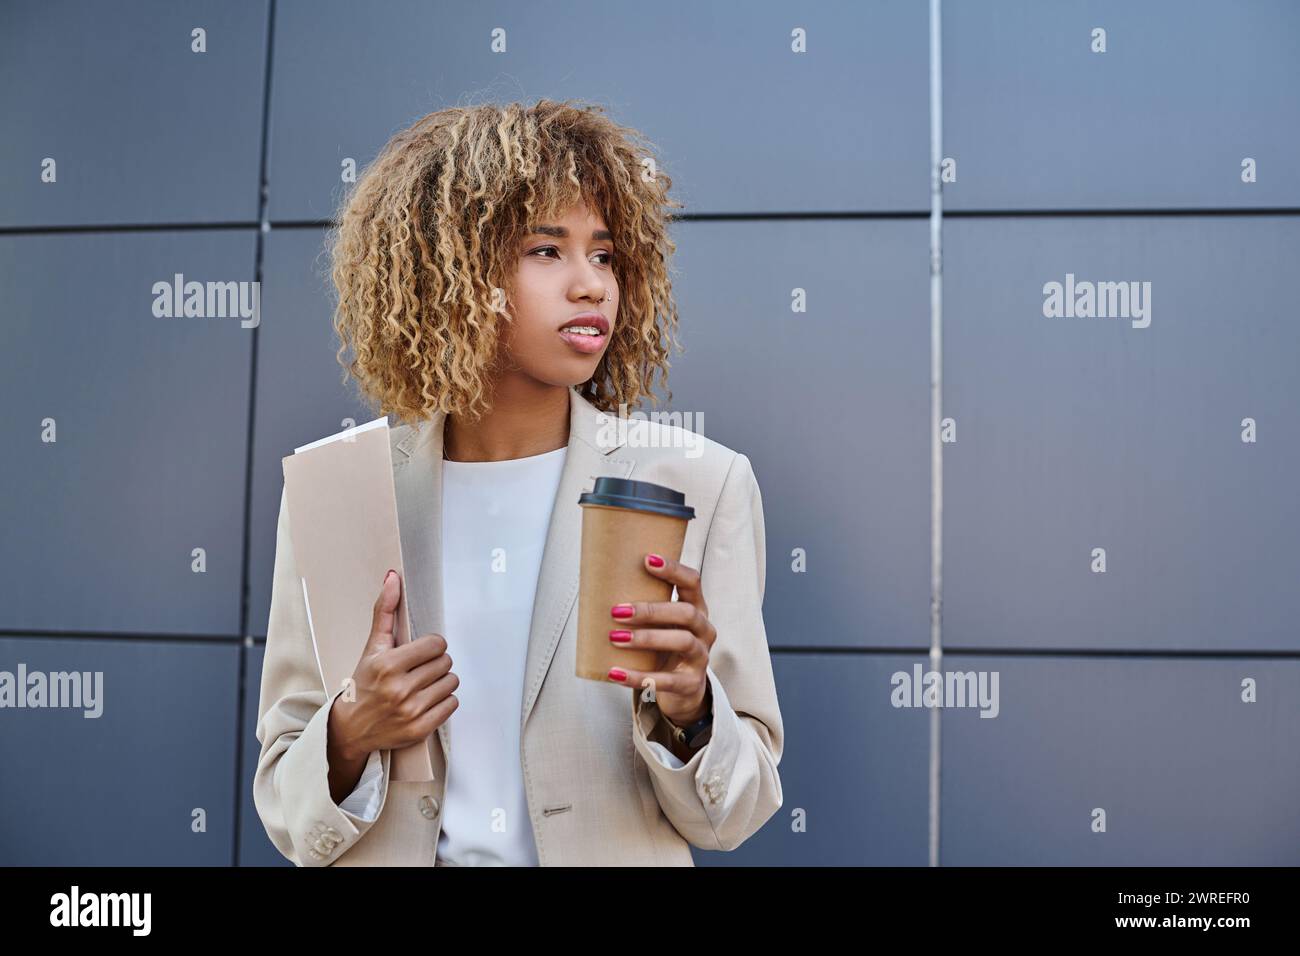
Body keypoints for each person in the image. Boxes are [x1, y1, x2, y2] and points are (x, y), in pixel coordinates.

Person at [253, 99, 783, 866]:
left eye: (604, 255)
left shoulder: (702, 483)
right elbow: (287, 809)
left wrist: (694, 712)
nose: (591, 285)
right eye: (546, 250)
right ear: (452, 268)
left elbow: (735, 812)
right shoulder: (338, 489)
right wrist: (350, 729)